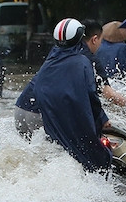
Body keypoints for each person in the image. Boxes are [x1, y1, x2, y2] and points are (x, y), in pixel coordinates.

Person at [14, 18, 113, 173]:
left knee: (37, 159)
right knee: (68, 154)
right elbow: (88, 96)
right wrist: (101, 119)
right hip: (40, 115)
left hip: (21, 111)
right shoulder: (82, 61)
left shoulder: (53, 56)